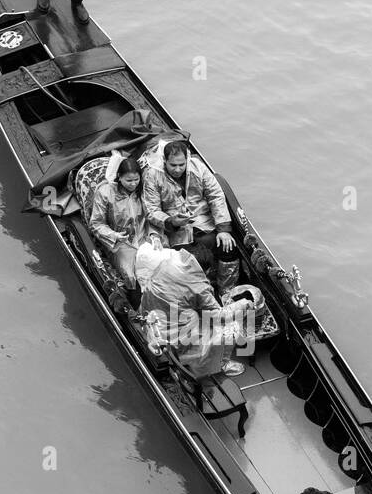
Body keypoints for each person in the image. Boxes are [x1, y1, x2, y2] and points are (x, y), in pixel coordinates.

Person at [134, 241, 252, 379]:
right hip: (172, 340)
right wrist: (245, 304)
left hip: (149, 319)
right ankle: (222, 365)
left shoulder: (168, 262)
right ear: (207, 270)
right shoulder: (199, 287)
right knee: (231, 326)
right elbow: (220, 316)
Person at [141, 138, 240, 293]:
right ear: (164, 161)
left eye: (182, 164)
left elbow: (215, 195)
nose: (178, 169)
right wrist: (171, 220)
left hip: (204, 223)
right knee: (193, 261)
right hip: (177, 231)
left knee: (229, 247)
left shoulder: (198, 167)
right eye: (173, 165)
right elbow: (151, 210)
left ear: (187, 160)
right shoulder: (152, 175)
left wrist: (223, 229)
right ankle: (201, 295)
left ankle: (226, 291)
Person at [88, 154, 150, 297]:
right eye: (129, 180)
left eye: (136, 180)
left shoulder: (143, 189)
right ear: (119, 177)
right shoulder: (105, 192)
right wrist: (114, 235)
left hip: (143, 236)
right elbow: (96, 223)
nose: (133, 184)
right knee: (130, 274)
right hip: (119, 242)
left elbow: (152, 215)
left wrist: (153, 235)